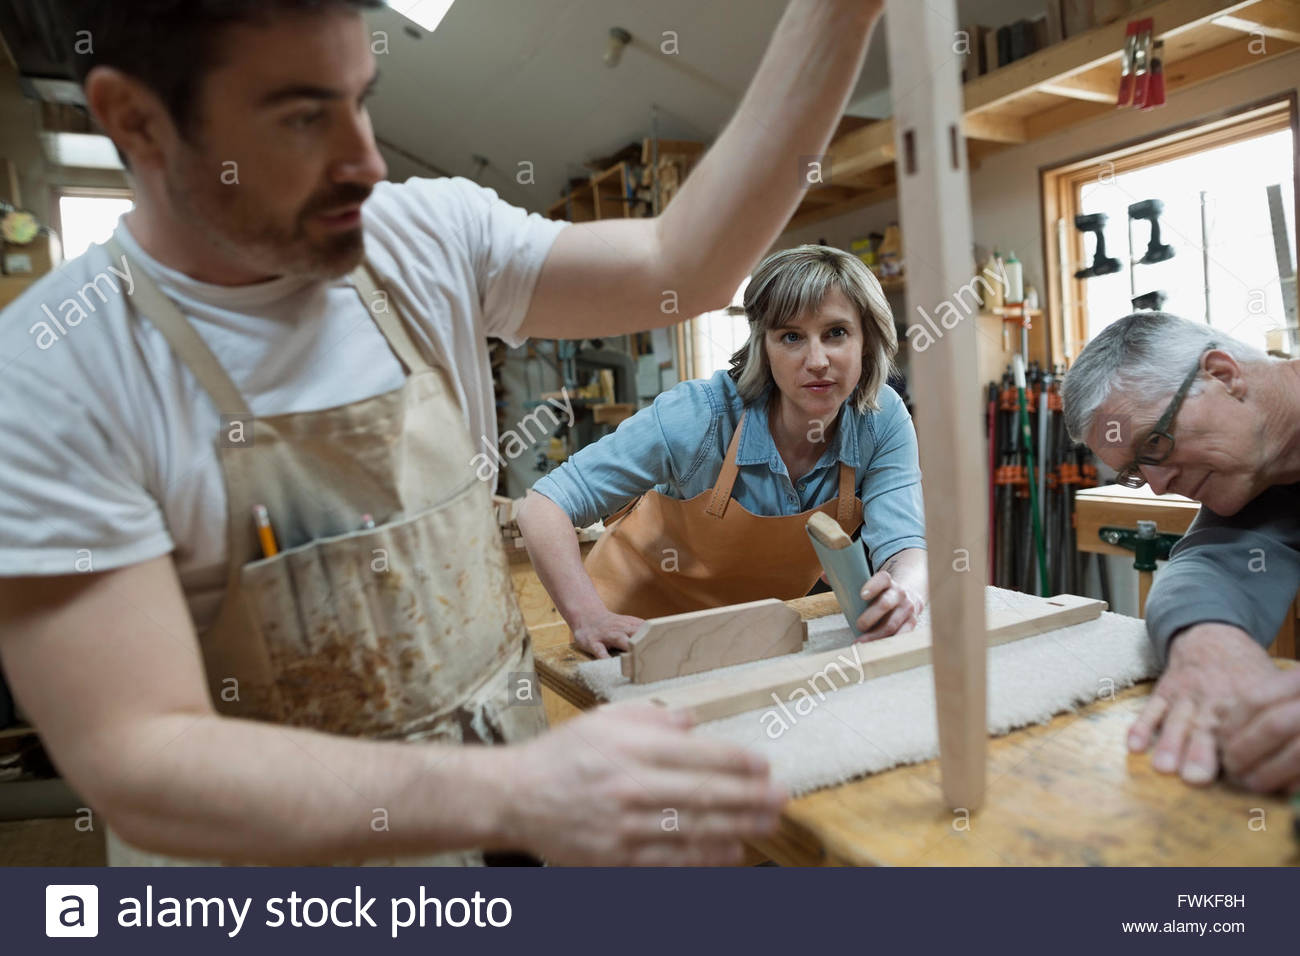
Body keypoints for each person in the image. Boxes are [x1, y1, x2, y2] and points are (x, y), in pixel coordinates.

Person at [0, 0, 889, 865]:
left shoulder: (423, 240)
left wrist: (842, 13)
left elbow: (681, 266)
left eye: (361, 100)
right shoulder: (54, 374)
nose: (365, 160)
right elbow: (139, 757)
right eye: (305, 117)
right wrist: (518, 793)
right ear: (136, 121)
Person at [518, 245, 928, 658]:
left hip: (745, 636)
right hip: (630, 638)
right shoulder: (699, 415)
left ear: (866, 339)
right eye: (791, 337)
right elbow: (543, 505)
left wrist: (906, 589)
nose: (817, 360)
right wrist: (589, 617)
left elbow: (904, 545)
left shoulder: (881, 419)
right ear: (763, 349)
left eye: (836, 333)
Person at [1062, 311, 1300, 793]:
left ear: (1223, 375)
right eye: (1134, 472)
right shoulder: (1264, 477)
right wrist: (1207, 642)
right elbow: (1201, 568)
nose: (1157, 486)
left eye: (1154, 443)